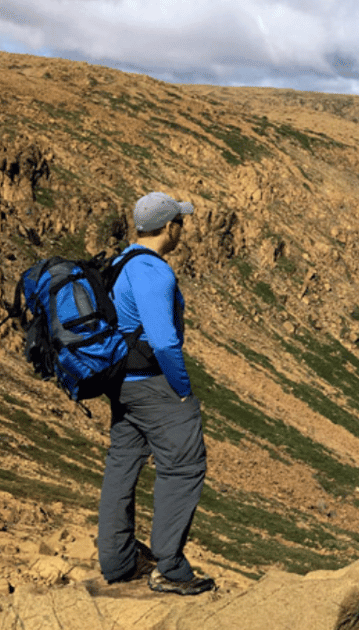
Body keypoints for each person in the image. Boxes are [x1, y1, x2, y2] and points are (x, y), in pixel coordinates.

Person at [97, 192, 214, 596]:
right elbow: (164, 342)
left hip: (121, 386)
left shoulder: (118, 263)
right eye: (180, 222)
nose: (182, 229)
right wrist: (182, 391)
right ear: (169, 228)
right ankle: (170, 567)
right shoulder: (153, 271)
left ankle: (117, 560)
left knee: (123, 464)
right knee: (183, 466)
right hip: (153, 385)